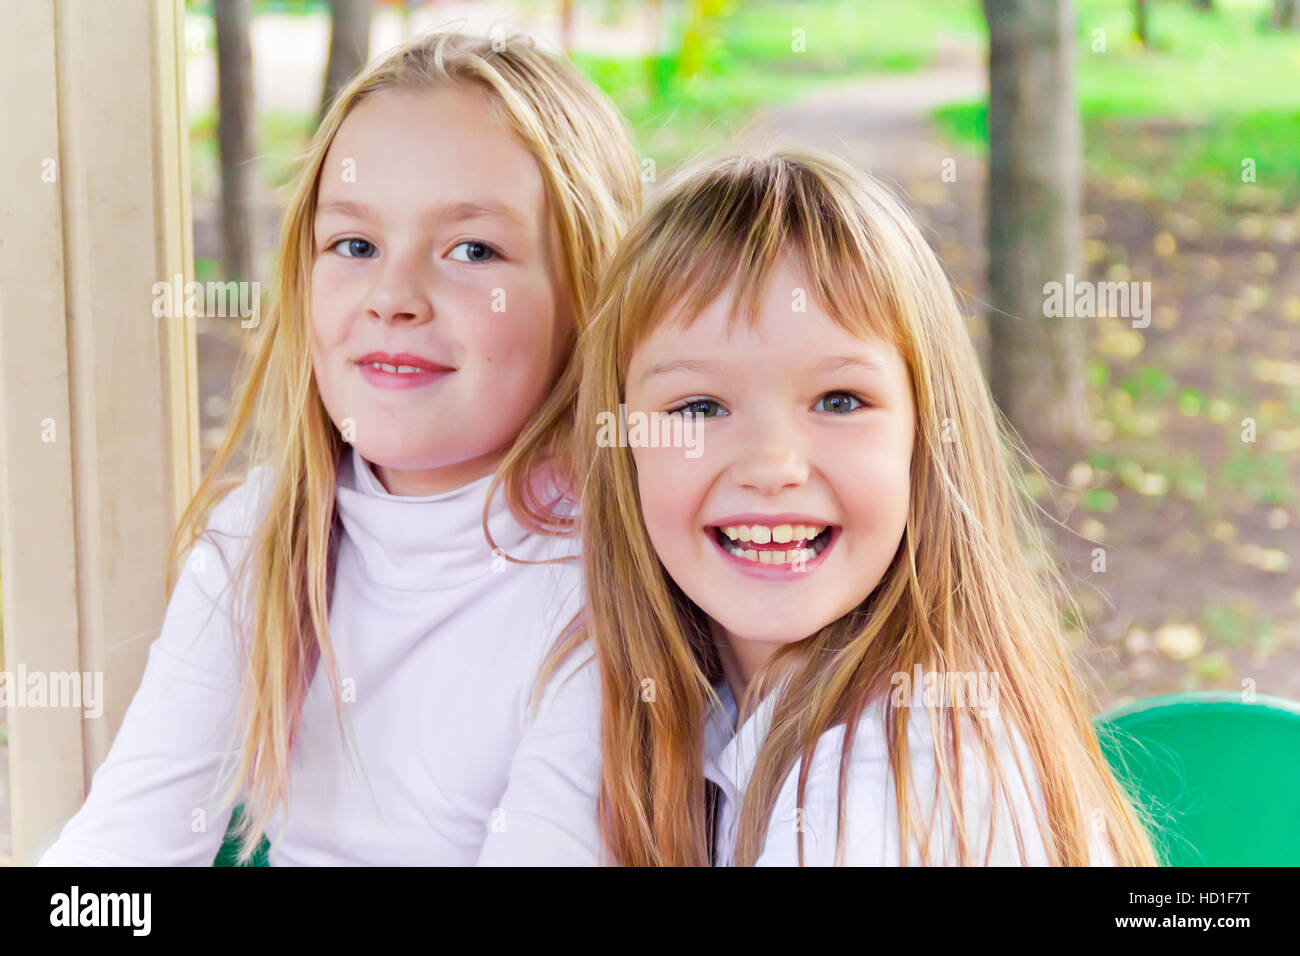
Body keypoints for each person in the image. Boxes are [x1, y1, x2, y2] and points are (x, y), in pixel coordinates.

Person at [37, 28, 639, 866]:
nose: (393, 296)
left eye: (473, 250)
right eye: (354, 246)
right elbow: (120, 850)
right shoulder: (262, 534)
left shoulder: (606, 582)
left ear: (591, 294)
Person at [573, 147, 1158, 866]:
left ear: (927, 434)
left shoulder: (883, 784)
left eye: (840, 401)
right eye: (699, 406)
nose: (771, 467)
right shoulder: (714, 712)